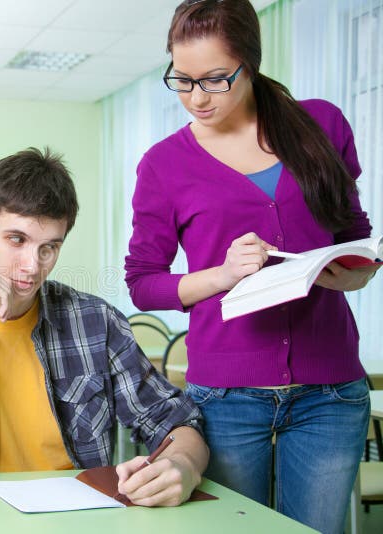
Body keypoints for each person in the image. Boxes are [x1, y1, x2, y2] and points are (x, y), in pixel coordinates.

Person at [124, 1, 380, 531]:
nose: (196, 97)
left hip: (330, 392)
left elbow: (354, 233)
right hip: (224, 399)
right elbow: (143, 284)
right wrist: (223, 274)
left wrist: (359, 271)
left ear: (250, 64)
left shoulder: (322, 125)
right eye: (183, 79)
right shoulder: (164, 165)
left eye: (215, 79)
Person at [0, 147, 208, 507]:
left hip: (79, 519)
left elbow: (177, 421)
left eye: (49, 247)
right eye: (17, 240)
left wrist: (184, 465)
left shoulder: (96, 322)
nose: (32, 266)